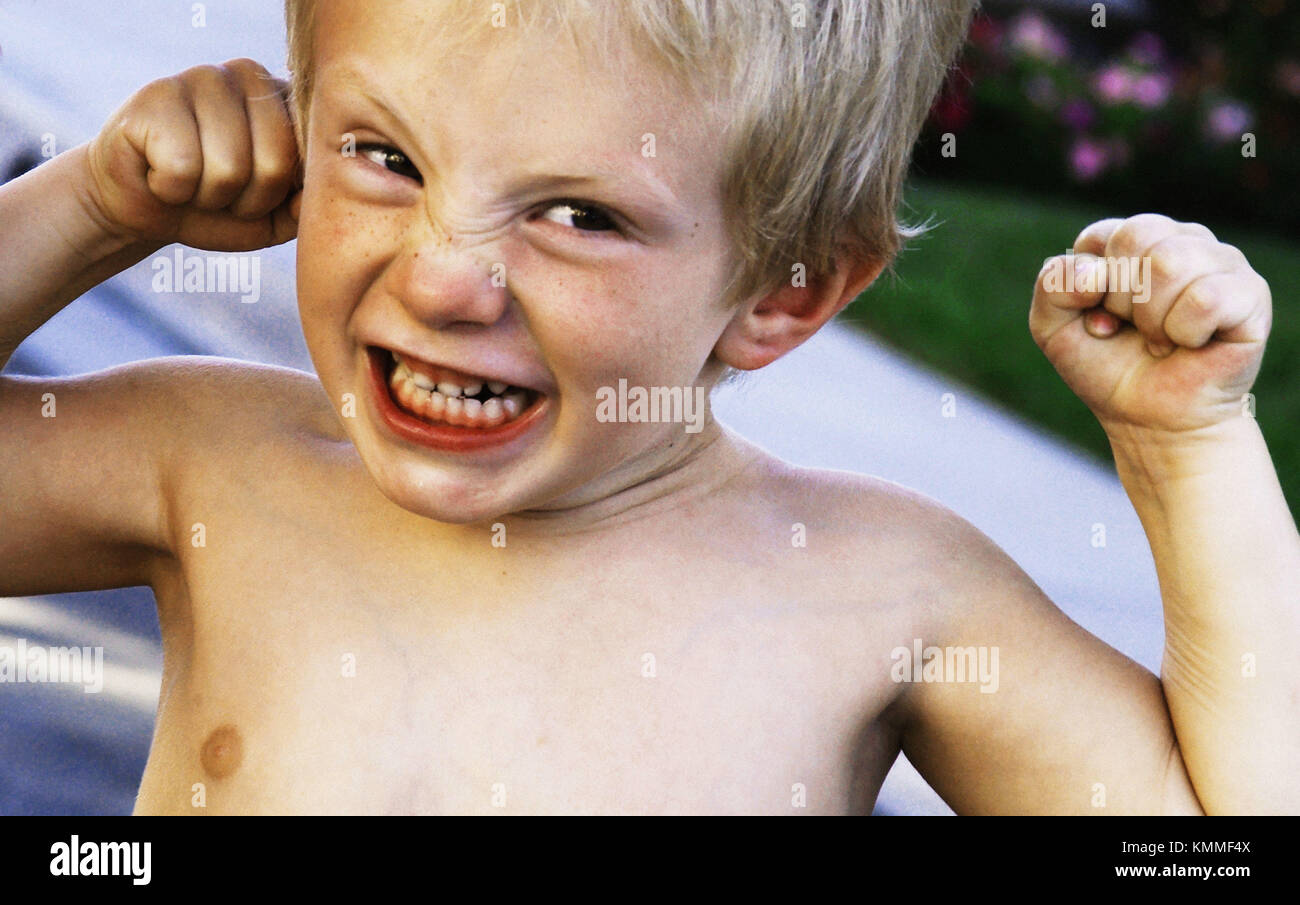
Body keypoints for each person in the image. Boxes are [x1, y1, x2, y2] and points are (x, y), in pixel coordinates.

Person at [0, 0, 1294, 814]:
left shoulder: (882, 592)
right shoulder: (220, 467)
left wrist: (1188, 454)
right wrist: (92, 207)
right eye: (385, 158)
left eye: (578, 215)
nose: (444, 275)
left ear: (786, 289)